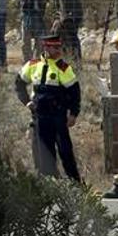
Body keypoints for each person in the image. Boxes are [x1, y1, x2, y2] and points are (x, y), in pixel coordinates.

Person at [14, 33, 81, 181]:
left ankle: (76, 186)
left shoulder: (63, 68)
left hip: (58, 117)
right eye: (55, 47)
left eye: (59, 47)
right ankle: (49, 185)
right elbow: (19, 83)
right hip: (39, 117)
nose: (58, 50)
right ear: (46, 48)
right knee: (43, 154)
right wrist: (27, 102)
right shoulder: (33, 65)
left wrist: (73, 114)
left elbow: (75, 93)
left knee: (65, 152)